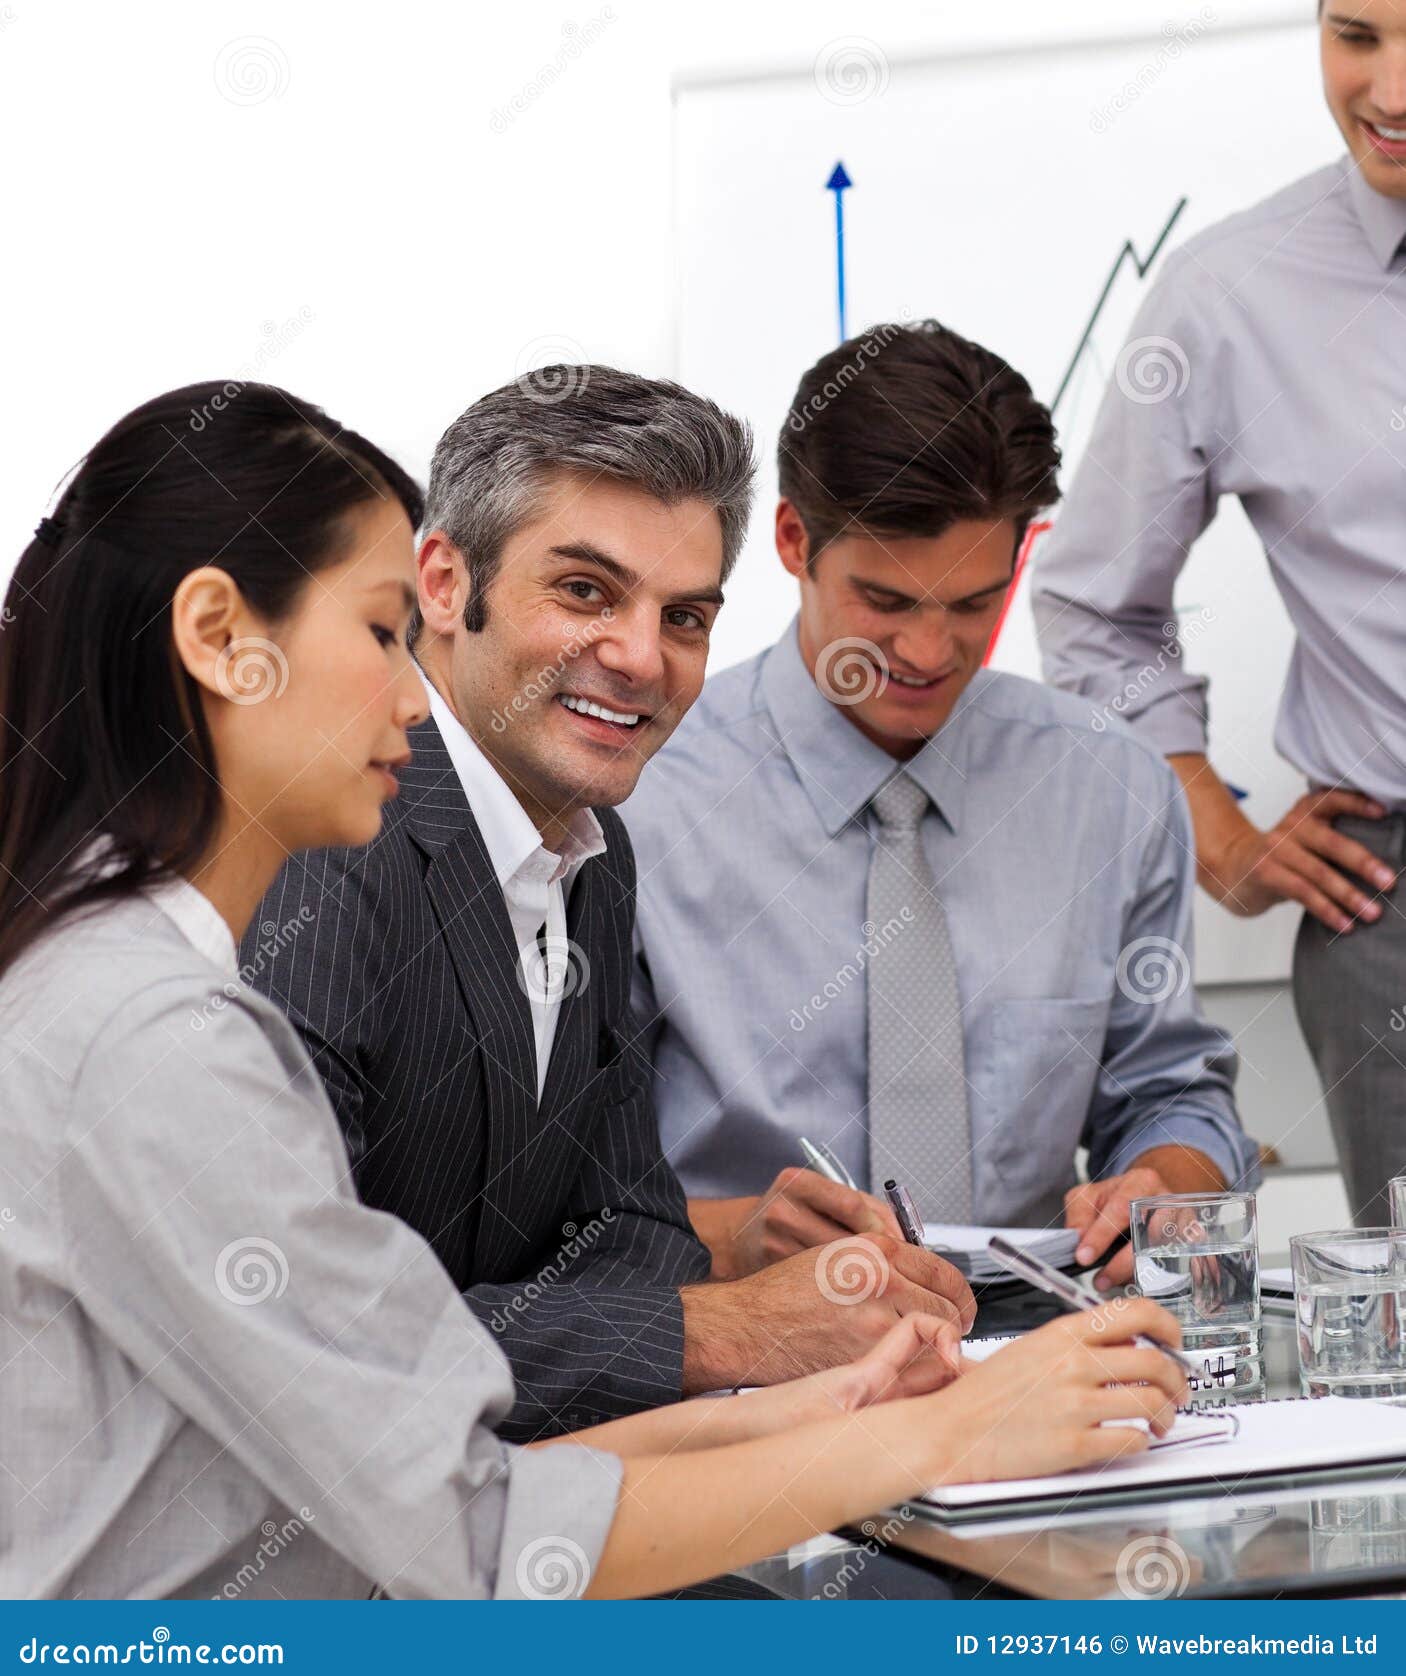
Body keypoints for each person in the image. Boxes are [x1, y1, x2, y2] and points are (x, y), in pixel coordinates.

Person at [0, 381, 1190, 1599]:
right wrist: (927, 1435)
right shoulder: (169, 1026)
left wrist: (846, 1404)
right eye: (379, 631)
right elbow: (466, 1523)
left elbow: (587, 1285)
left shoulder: (577, 849)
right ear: (219, 638)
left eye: (683, 614)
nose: (411, 696)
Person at [245, 366, 973, 1439]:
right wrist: (722, 1331)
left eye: (684, 616)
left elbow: (624, 1225)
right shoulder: (331, 841)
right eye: (585, 591)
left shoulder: (593, 849)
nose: (641, 658)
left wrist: (773, 1305)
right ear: (441, 583)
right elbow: (307, 1328)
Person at [622, 322, 1256, 1294]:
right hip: (749, 1353)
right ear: (793, 542)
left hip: (1035, 1349)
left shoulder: (1109, 789)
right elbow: (559, 1193)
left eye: (971, 605)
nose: (927, 652)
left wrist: (1163, 1185)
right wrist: (723, 1235)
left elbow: (1170, 1091)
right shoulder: (637, 795)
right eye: (884, 599)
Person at [1033, 0, 1406, 1224]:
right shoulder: (1227, 294)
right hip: (1388, 915)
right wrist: (1223, 839)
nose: (1389, 90)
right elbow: (1096, 604)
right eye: (1354, 35)